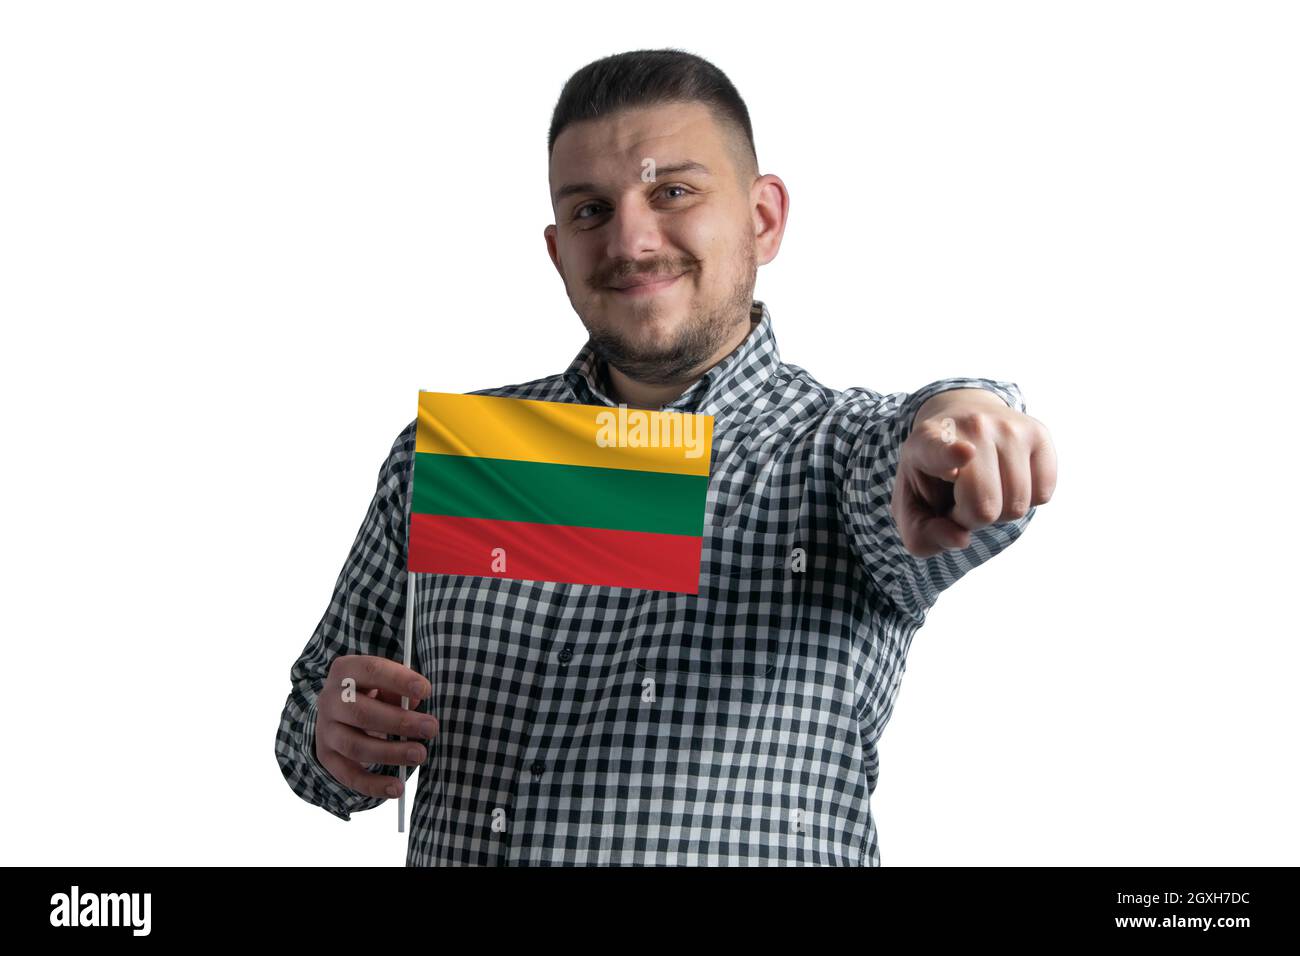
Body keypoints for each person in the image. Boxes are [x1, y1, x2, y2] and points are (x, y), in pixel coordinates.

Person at [275, 48, 1057, 866]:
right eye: (589, 211)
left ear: (763, 219)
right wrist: (335, 736)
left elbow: (920, 451)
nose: (632, 241)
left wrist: (967, 419)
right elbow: (310, 732)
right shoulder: (454, 459)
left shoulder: (831, 457)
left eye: (672, 192)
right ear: (555, 250)